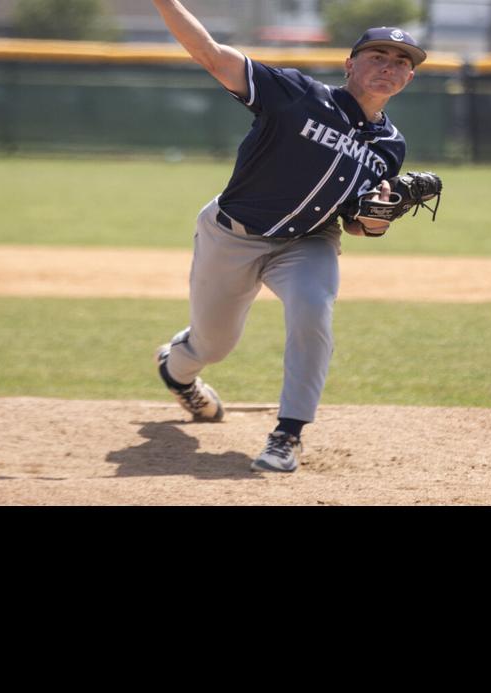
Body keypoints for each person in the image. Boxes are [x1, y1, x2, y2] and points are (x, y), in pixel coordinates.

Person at [150, 0, 422, 473]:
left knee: (314, 310)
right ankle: (176, 371)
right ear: (350, 64)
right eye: (377, 56)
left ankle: (288, 434)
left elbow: (358, 220)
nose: (389, 67)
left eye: (401, 62)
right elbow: (212, 56)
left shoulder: (390, 146)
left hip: (309, 242)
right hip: (231, 236)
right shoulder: (298, 94)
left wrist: (375, 222)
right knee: (212, 347)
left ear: (409, 78)